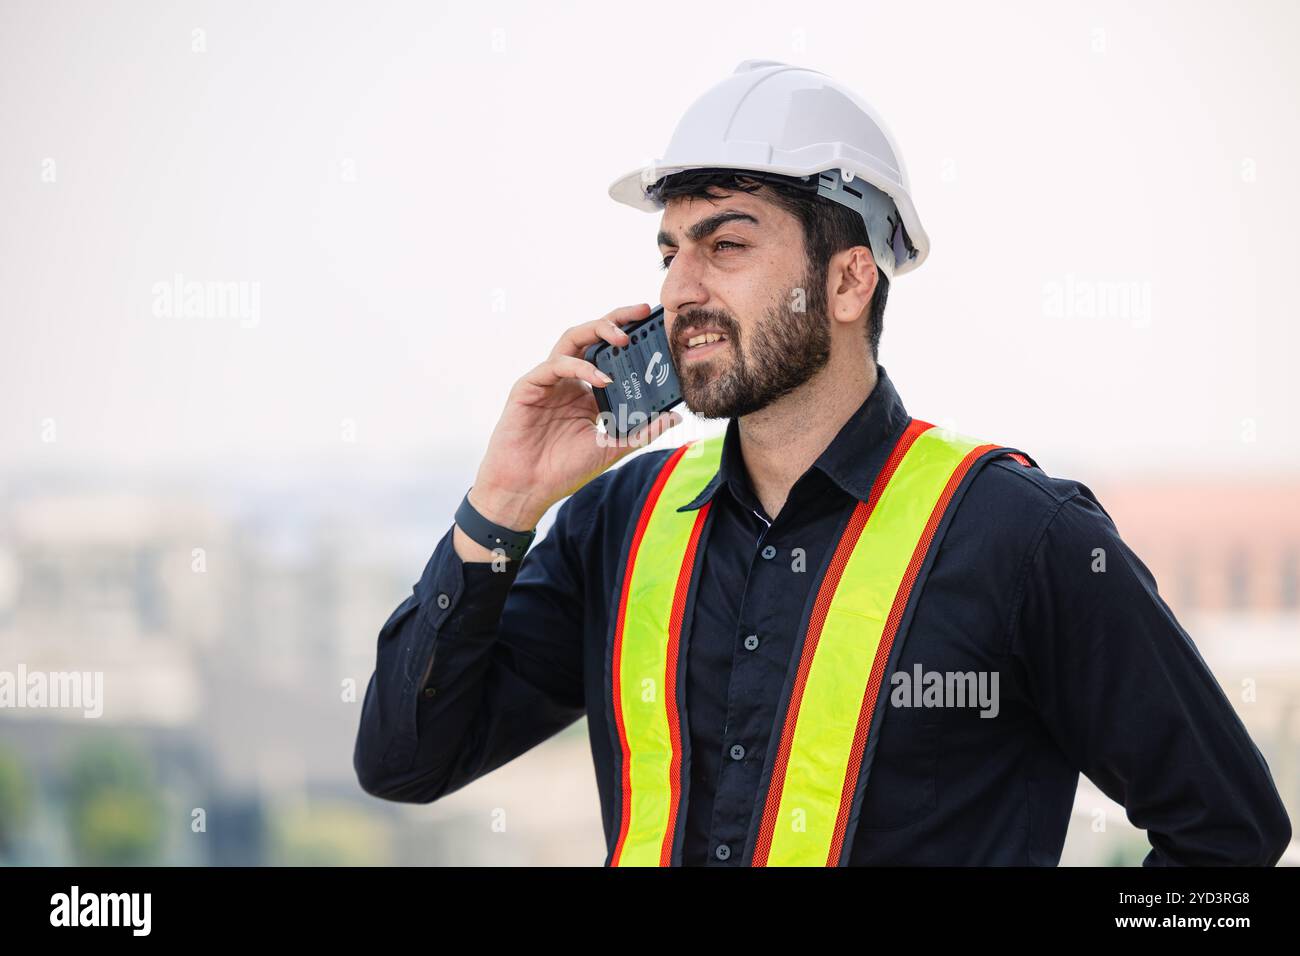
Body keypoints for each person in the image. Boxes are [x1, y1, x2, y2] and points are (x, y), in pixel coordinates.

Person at [353, 61, 1292, 866]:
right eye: (671, 251)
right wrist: (503, 505)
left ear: (849, 280)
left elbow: (1228, 840)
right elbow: (406, 762)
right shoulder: (620, 524)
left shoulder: (1022, 539)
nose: (680, 290)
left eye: (726, 244)